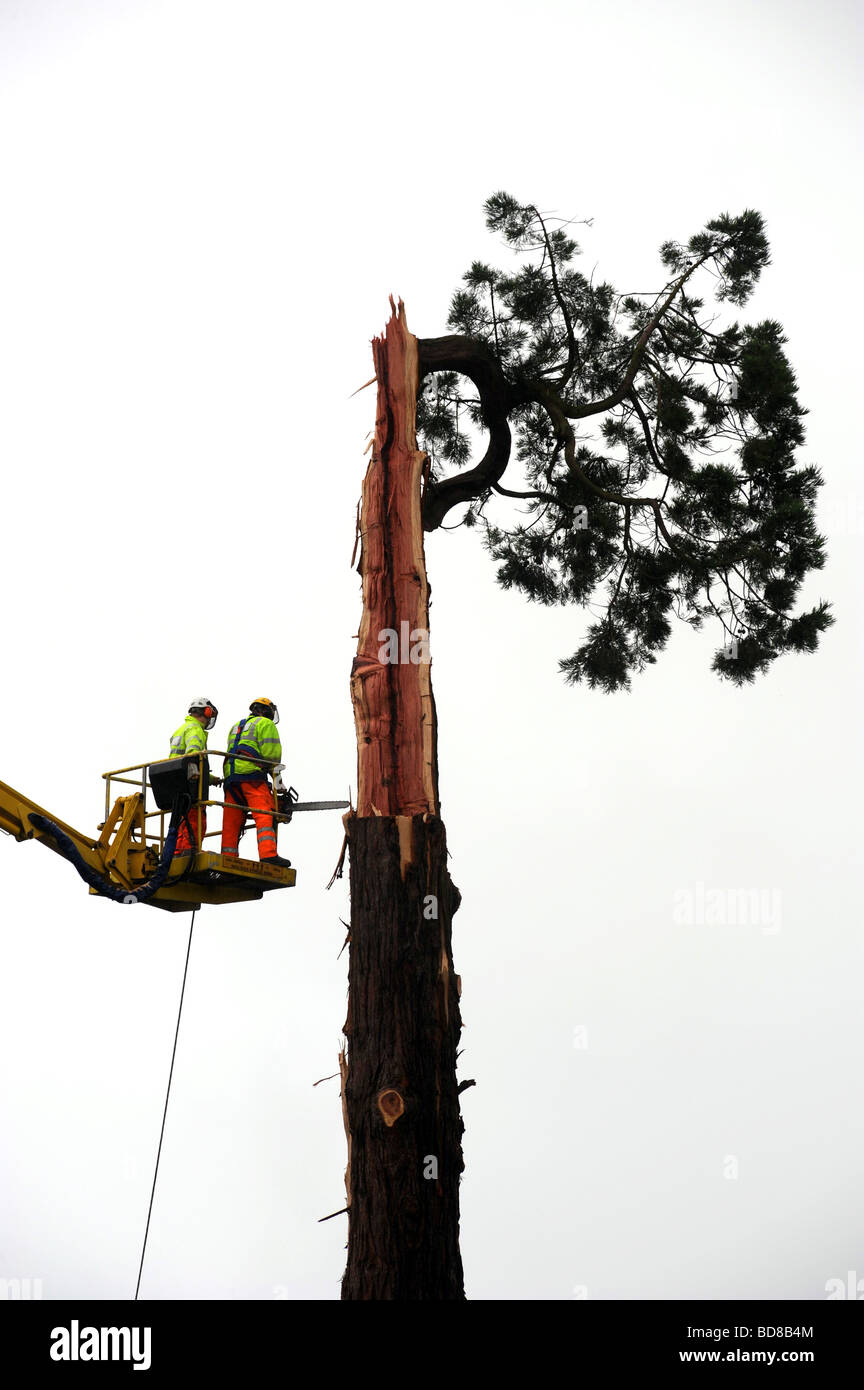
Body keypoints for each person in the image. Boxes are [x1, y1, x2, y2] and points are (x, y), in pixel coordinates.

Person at [221, 697, 291, 867]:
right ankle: (268, 854)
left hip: (231, 777)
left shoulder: (237, 726)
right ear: (267, 711)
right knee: (264, 814)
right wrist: (277, 781)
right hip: (251, 776)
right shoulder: (266, 725)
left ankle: (227, 858)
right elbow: (272, 757)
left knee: (232, 820)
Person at [168, 697, 219, 856]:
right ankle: (189, 849)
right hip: (191, 784)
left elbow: (180, 759)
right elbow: (193, 755)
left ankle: (177, 849)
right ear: (206, 711)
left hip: (177, 780)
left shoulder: (181, 729)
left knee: (180, 819)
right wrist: (195, 775)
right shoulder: (196, 729)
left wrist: (211, 779)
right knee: (195, 818)